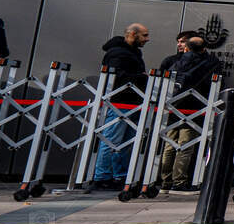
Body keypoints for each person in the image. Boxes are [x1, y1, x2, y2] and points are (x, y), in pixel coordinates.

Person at [93, 23, 150, 189]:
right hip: (119, 101)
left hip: (132, 101)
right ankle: (102, 177)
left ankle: (119, 176)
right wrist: (142, 77)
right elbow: (116, 76)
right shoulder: (118, 53)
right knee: (112, 140)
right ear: (133, 34)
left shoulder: (133, 52)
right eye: (144, 35)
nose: (147, 39)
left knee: (125, 141)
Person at [159, 35, 217, 193]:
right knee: (185, 145)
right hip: (194, 108)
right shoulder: (210, 63)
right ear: (204, 48)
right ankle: (179, 182)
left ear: (187, 48)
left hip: (174, 106)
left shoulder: (175, 62)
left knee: (170, 144)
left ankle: (165, 181)